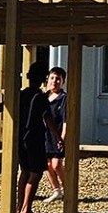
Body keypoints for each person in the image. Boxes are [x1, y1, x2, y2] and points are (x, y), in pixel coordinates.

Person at [16, 59, 52, 213]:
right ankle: (26, 209)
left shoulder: (21, 94)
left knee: (25, 171)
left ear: (28, 76)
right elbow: (48, 118)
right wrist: (58, 136)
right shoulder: (41, 97)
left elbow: (2, 106)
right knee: (36, 172)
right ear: (44, 80)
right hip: (34, 138)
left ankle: (19, 206)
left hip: (19, 137)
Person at [40, 66, 69, 201]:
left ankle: (68, 187)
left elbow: (65, 120)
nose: (54, 81)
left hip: (57, 135)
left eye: (58, 79)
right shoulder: (44, 97)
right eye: (52, 78)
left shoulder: (63, 98)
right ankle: (56, 190)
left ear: (62, 81)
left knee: (57, 164)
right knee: (47, 164)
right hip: (45, 136)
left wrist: (62, 138)